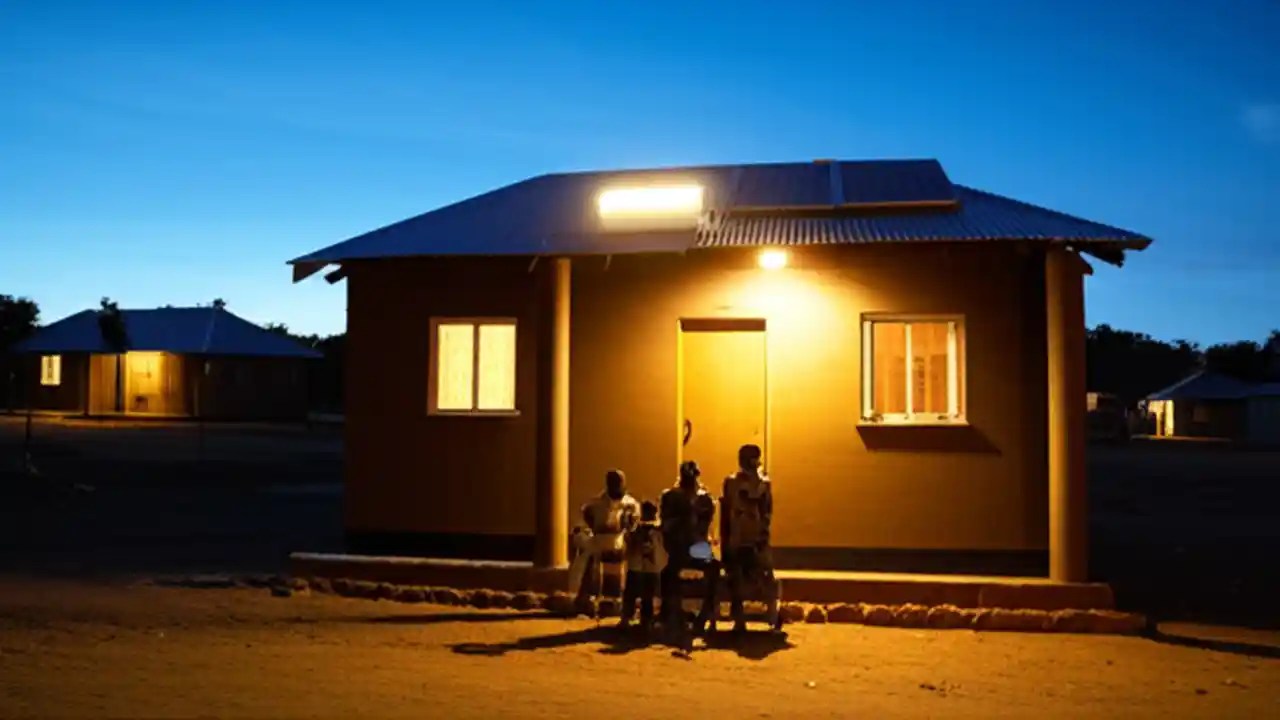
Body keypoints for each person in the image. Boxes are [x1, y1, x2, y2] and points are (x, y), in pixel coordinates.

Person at [659, 460, 719, 638]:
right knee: (667, 573)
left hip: (697, 547)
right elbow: (666, 525)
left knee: (714, 568)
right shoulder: (670, 496)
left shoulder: (704, 498)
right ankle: (673, 615)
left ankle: (704, 615)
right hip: (677, 546)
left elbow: (704, 527)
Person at [721, 444, 773, 634]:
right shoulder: (731, 482)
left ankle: (771, 616)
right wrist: (725, 541)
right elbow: (725, 513)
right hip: (736, 538)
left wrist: (763, 538)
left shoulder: (764, 484)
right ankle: (739, 618)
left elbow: (767, 513)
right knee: (734, 576)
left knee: (765, 575)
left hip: (755, 540)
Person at [570, 469, 640, 605]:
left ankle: (628, 600)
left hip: (621, 541)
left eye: (619, 482)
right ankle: (586, 598)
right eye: (613, 482)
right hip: (599, 542)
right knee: (584, 556)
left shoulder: (631, 504)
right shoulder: (595, 504)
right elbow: (585, 523)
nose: (616, 485)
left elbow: (634, 527)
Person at [620, 500, 664, 631]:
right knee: (646, 596)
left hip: (638, 567)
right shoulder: (657, 530)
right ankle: (645, 620)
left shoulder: (637, 530)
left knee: (633, 594)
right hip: (650, 567)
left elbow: (627, 544)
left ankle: (629, 618)